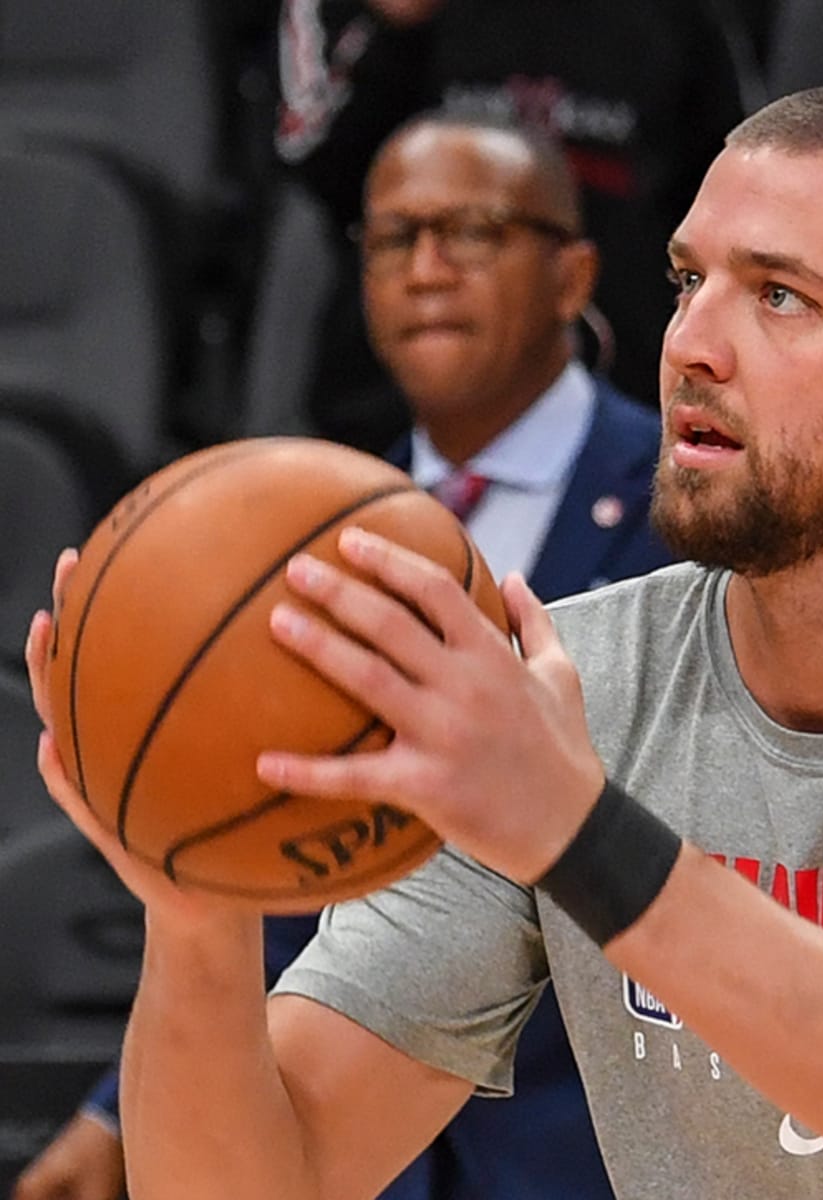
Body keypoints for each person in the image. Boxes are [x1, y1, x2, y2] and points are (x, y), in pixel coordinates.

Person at [26, 83, 823, 1199]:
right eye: (690, 280)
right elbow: (267, 1179)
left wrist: (580, 833)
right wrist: (197, 915)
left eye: (779, 295)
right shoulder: (558, 695)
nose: (692, 340)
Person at [13, 112, 674, 1200]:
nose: (426, 269)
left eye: (472, 231)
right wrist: (116, 1112)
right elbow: (280, 843)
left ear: (573, 274)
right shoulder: (285, 530)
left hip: (592, 1145)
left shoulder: (688, 504)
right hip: (351, 1144)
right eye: (395, 236)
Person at [274, 0, 754, 442]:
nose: (431, 269)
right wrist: (395, 29)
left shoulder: (680, 18)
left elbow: (730, 204)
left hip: (627, 394)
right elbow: (313, 167)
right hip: (386, 412)